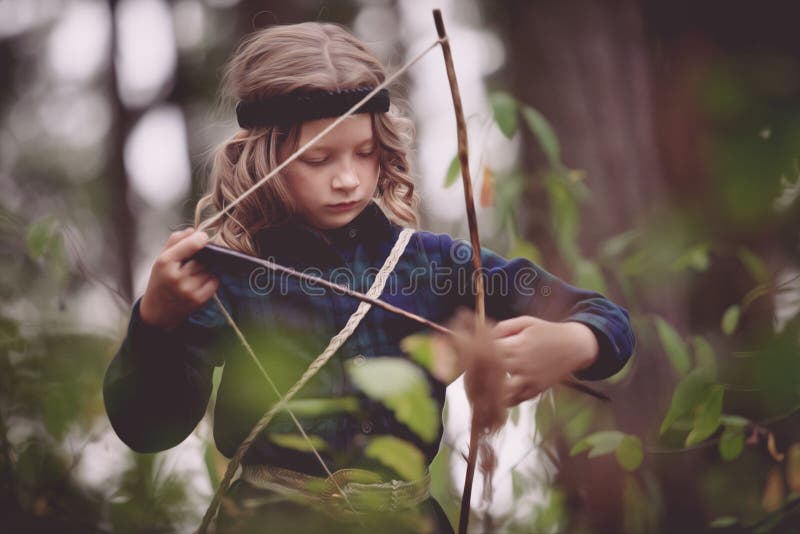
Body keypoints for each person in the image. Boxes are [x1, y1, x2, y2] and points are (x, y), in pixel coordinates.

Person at [102, 21, 635, 534]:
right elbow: (149, 429)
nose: (348, 179)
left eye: (365, 153)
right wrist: (156, 319)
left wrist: (575, 341)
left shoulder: (434, 264)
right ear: (263, 157)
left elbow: (603, 317)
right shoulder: (228, 274)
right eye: (318, 158)